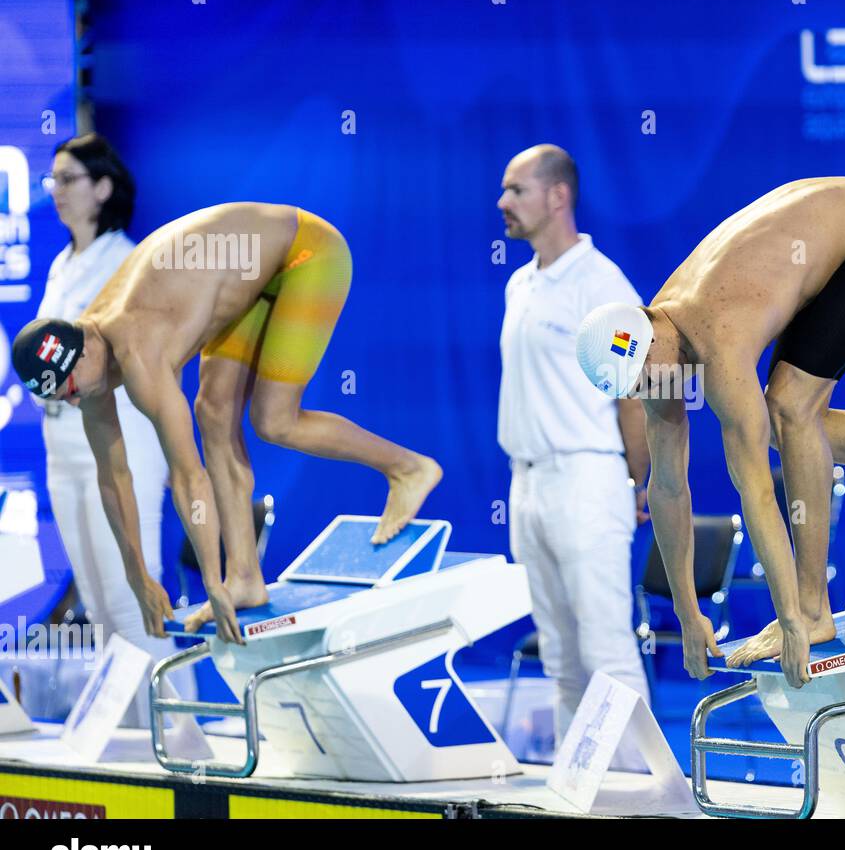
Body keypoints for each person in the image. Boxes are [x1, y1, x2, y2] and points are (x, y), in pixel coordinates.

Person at [576, 177, 845, 688]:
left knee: (787, 410)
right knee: (786, 420)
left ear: (649, 340)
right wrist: (688, 611)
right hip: (819, 243)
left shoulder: (719, 344)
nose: (653, 392)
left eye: (647, 379)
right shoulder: (654, 349)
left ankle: (813, 608)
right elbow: (669, 487)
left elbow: (758, 493)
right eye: (636, 390)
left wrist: (789, 619)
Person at [10, 203, 442, 644]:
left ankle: (408, 467)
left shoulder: (138, 351)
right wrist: (137, 575)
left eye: (71, 389)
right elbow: (113, 480)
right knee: (213, 411)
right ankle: (246, 578)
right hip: (247, 273)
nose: (74, 400)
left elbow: (189, 480)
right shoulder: (88, 366)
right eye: (61, 397)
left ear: (81, 354)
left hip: (304, 254)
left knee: (275, 420)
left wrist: (209, 583)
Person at [35, 133, 192, 724]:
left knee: (134, 594)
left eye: (68, 179)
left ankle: (178, 736)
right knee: (99, 604)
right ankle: (132, 740)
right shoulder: (61, 264)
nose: (57, 192)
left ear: (103, 187)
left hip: (118, 436)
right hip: (62, 444)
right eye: (52, 181)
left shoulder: (127, 263)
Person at [497, 145, 652, 742]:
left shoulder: (604, 285)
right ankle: (577, 793)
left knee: (607, 652)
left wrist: (640, 484)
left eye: (516, 190)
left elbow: (632, 395)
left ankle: (648, 796)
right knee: (560, 660)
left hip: (588, 482)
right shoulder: (519, 284)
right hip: (527, 484)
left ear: (558, 196)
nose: (502, 202)